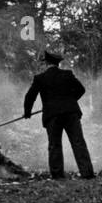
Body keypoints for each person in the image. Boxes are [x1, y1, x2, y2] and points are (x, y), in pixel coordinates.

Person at [24, 50, 94, 180]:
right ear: (57, 64)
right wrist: (71, 100)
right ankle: (87, 173)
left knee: (54, 144)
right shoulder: (67, 74)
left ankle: (57, 175)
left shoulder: (40, 78)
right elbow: (81, 89)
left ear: (46, 64)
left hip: (53, 115)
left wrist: (27, 112)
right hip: (71, 113)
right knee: (78, 142)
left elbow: (30, 97)